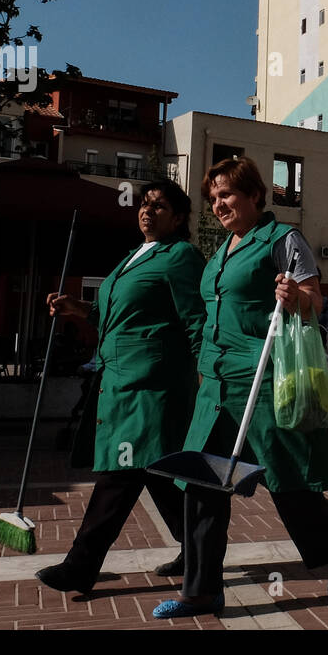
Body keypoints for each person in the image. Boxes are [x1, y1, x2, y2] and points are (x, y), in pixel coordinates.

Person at [153, 156, 328, 618]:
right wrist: (202, 371)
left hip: (262, 381)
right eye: (214, 198)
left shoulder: (283, 240)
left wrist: (295, 298)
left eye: (227, 194)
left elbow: (315, 303)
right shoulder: (222, 250)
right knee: (202, 483)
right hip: (216, 386)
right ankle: (201, 590)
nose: (220, 204)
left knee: (289, 482)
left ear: (254, 195)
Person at [36, 180, 206, 594]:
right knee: (158, 472)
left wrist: (209, 379)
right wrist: (78, 308)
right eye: (144, 205)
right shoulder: (133, 257)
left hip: (154, 385)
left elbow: (196, 320)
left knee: (120, 473)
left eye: (160, 206)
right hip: (118, 380)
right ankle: (196, 549)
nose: (147, 212)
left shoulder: (180, 256)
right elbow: (117, 316)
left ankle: (81, 564)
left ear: (179, 218)